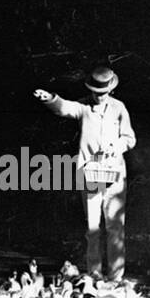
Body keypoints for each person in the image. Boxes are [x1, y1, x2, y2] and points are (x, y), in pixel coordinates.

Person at [33, 65, 136, 281]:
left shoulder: (119, 108)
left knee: (115, 227)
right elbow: (65, 108)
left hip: (114, 174)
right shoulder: (84, 106)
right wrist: (50, 98)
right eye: (96, 93)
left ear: (111, 91)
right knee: (92, 228)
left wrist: (115, 146)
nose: (99, 97)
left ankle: (116, 277)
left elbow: (129, 138)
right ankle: (95, 275)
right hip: (90, 174)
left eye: (103, 93)